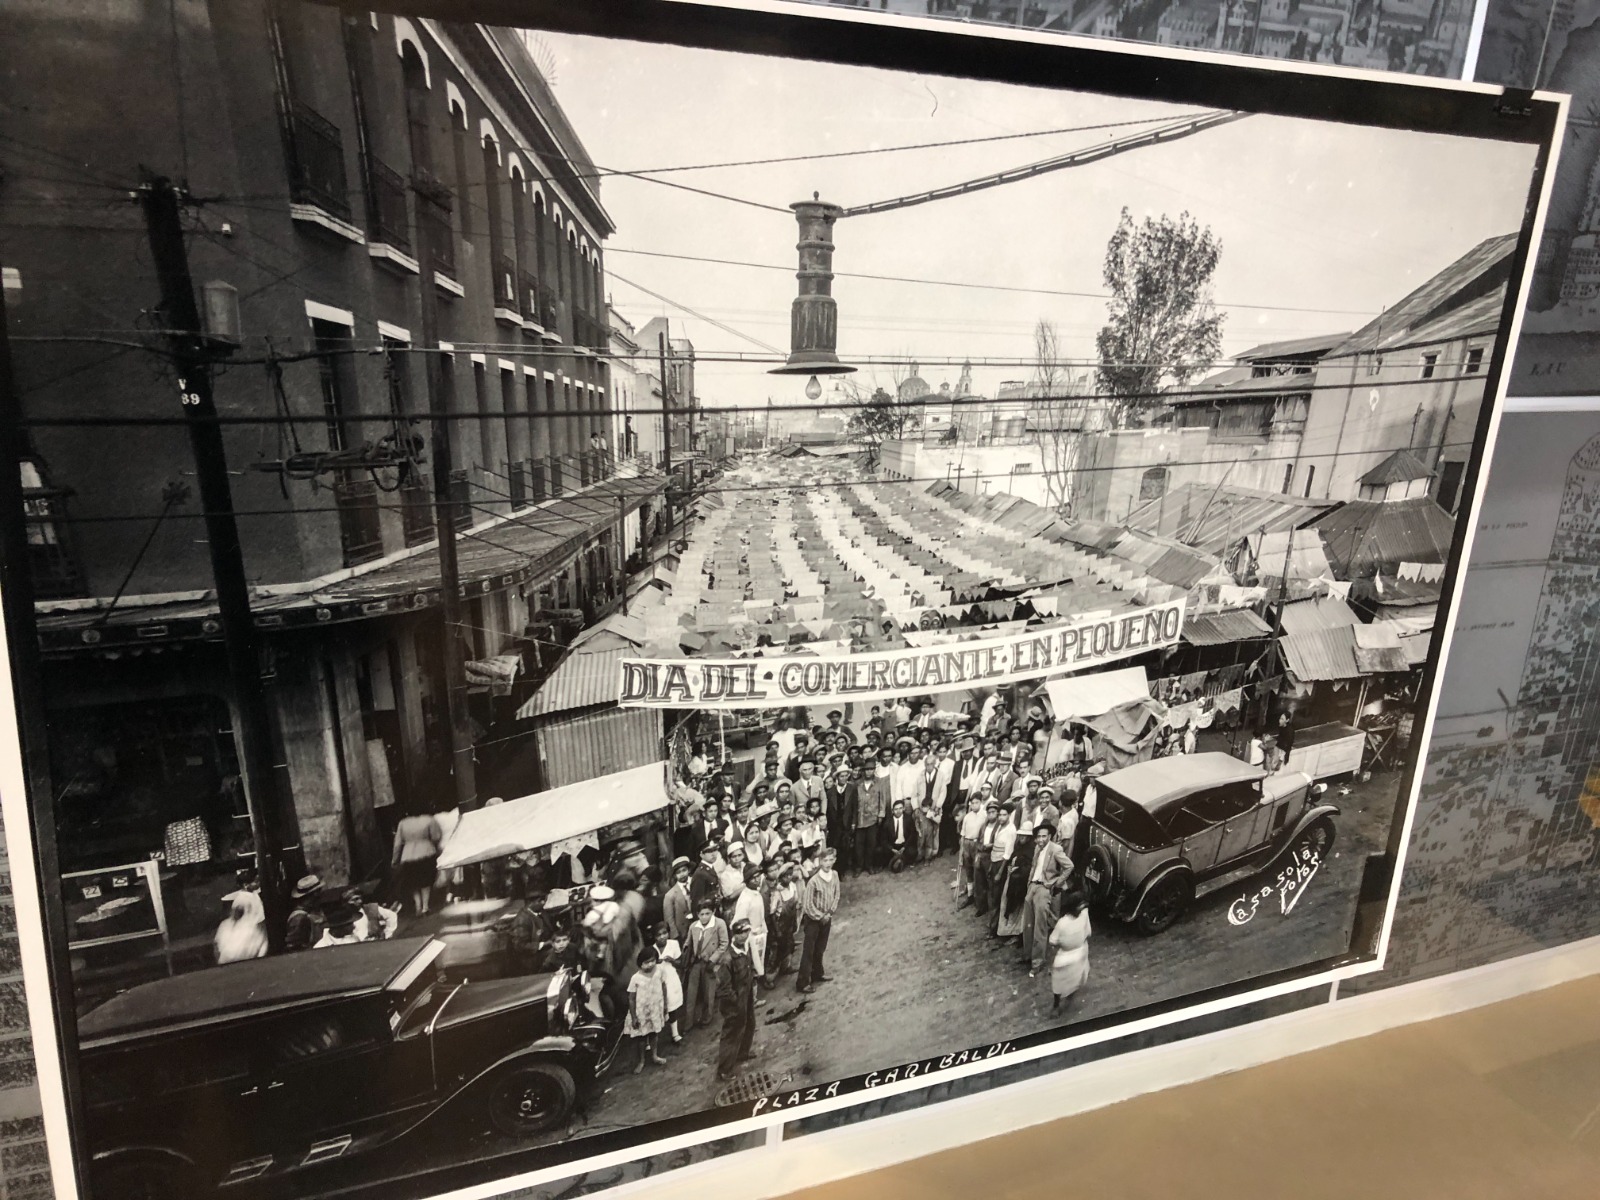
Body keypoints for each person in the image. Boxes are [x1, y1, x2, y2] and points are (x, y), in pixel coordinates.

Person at [1019, 823, 1073, 976]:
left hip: (1044, 888)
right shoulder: (1037, 849)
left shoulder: (1056, 849)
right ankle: (1028, 955)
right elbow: (1034, 867)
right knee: (1028, 923)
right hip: (1033, 887)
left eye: (1044, 836)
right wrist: (1029, 884)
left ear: (1049, 836)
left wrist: (1057, 883)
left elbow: (1069, 866)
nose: (1041, 839)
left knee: (1040, 927)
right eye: (1038, 837)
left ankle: (1037, 962)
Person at [716, 918, 759, 1080]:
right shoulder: (728, 959)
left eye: (748, 931)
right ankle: (724, 1070)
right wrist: (736, 1002)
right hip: (733, 1003)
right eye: (744, 932)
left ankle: (742, 1053)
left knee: (749, 1023)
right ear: (736, 935)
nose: (747, 935)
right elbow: (725, 989)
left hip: (745, 996)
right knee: (731, 1033)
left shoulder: (743, 948)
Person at [795, 847, 840, 993]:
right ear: (819, 861)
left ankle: (817, 974)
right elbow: (807, 904)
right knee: (809, 950)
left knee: (820, 947)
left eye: (831, 860)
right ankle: (803, 982)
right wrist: (820, 916)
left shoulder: (834, 875)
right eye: (825, 860)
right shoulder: (813, 881)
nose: (828, 863)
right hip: (813, 920)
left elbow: (836, 895)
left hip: (827, 918)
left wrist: (830, 912)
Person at [683, 900, 729, 1030]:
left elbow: (724, 944)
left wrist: (713, 960)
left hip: (710, 962)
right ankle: (688, 1021)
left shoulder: (719, 924)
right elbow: (688, 942)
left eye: (707, 913)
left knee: (709, 991)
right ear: (697, 914)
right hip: (696, 962)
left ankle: (707, 1017)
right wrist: (686, 952)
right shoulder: (693, 927)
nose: (704, 917)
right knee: (691, 993)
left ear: (713, 912)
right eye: (702, 914)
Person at [625, 947, 671, 1073]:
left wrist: (665, 1005)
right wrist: (634, 1016)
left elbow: (663, 987)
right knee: (641, 1037)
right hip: (641, 1013)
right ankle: (641, 1061)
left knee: (654, 1033)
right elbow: (631, 999)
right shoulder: (636, 978)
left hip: (655, 1008)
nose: (650, 964)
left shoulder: (659, 971)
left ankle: (655, 1055)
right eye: (646, 962)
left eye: (652, 961)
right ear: (640, 964)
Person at [392, 805, 443, 917]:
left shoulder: (403, 823)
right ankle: (425, 906)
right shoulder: (429, 819)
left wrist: (395, 860)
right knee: (426, 880)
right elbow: (436, 836)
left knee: (413, 882)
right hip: (426, 851)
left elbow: (397, 844)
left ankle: (418, 906)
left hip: (408, 854)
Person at [1048, 890, 1092, 1014]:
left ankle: (1070, 994)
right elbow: (1053, 941)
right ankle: (1056, 1005)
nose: (1082, 907)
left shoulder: (1084, 914)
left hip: (1080, 952)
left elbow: (1087, 932)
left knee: (1077, 977)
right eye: (1079, 905)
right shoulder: (1062, 923)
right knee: (1058, 981)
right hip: (1065, 956)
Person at [732, 863, 769, 987]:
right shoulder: (745, 899)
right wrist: (749, 934)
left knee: (759, 962)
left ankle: (758, 988)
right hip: (750, 937)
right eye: (753, 878)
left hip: (760, 933)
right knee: (752, 967)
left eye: (758, 876)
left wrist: (763, 929)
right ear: (747, 881)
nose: (757, 879)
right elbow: (738, 922)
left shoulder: (756, 893)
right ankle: (752, 998)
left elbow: (760, 914)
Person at [854, 751, 891, 874]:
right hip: (860, 819)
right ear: (863, 771)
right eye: (867, 769)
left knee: (871, 844)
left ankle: (869, 866)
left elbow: (883, 799)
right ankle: (859, 866)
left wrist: (881, 814)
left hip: (873, 818)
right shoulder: (857, 784)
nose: (869, 772)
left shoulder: (879, 783)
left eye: (871, 769)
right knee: (859, 845)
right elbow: (854, 803)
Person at [652, 924, 686, 1044]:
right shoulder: (652, 949)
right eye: (659, 935)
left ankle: (675, 1034)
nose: (662, 937)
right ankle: (651, 1040)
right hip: (657, 981)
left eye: (664, 933)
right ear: (654, 937)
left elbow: (681, 963)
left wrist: (672, 960)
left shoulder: (673, 944)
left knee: (672, 1005)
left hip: (670, 978)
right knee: (658, 1007)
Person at [215, 889, 267, 964]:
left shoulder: (256, 929)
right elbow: (217, 947)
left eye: (240, 909)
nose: (237, 911)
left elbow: (262, 951)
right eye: (236, 908)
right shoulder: (225, 925)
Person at [955, 795, 987, 908]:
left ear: (981, 802)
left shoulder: (984, 816)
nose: (974, 805)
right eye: (972, 803)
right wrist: (961, 851)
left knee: (977, 871)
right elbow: (962, 835)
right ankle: (970, 896)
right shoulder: (967, 817)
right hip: (967, 843)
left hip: (977, 844)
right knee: (968, 870)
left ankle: (979, 898)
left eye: (976, 802)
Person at [284, 874, 325, 952]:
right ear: (314, 895)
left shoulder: (310, 913)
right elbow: (294, 948)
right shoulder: (299, 919)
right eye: (318, 893)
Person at [662, 857, 694, 943]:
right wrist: (675, 935)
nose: (682, 874)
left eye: (684, 870)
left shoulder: (696, 883)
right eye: (678, 872)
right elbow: (669, 919)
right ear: (675, 875)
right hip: (683, 931)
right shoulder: (670, 895)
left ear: (689, 870)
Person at [882, 798, 918, 872]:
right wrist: (892, 849)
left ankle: (899, 860)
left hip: (904, 845)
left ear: (904, 808)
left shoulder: (908, 819)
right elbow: (884, 839)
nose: (898, 811)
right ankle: (898, 859)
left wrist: (904, 847)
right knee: (881, 852)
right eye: (896, 809)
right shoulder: (888, 822)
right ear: (892, 811)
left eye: (900, 808)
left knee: (913, 852)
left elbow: (912, 835)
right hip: (893, 846)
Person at [689, 842, 723, 915]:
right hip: (706, 916)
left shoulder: (710, 868)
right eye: (709, 851)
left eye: (715, 850)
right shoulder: (700, 874)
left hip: (714, 912)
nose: (713, 854)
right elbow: (696, 901)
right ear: (701, 855)